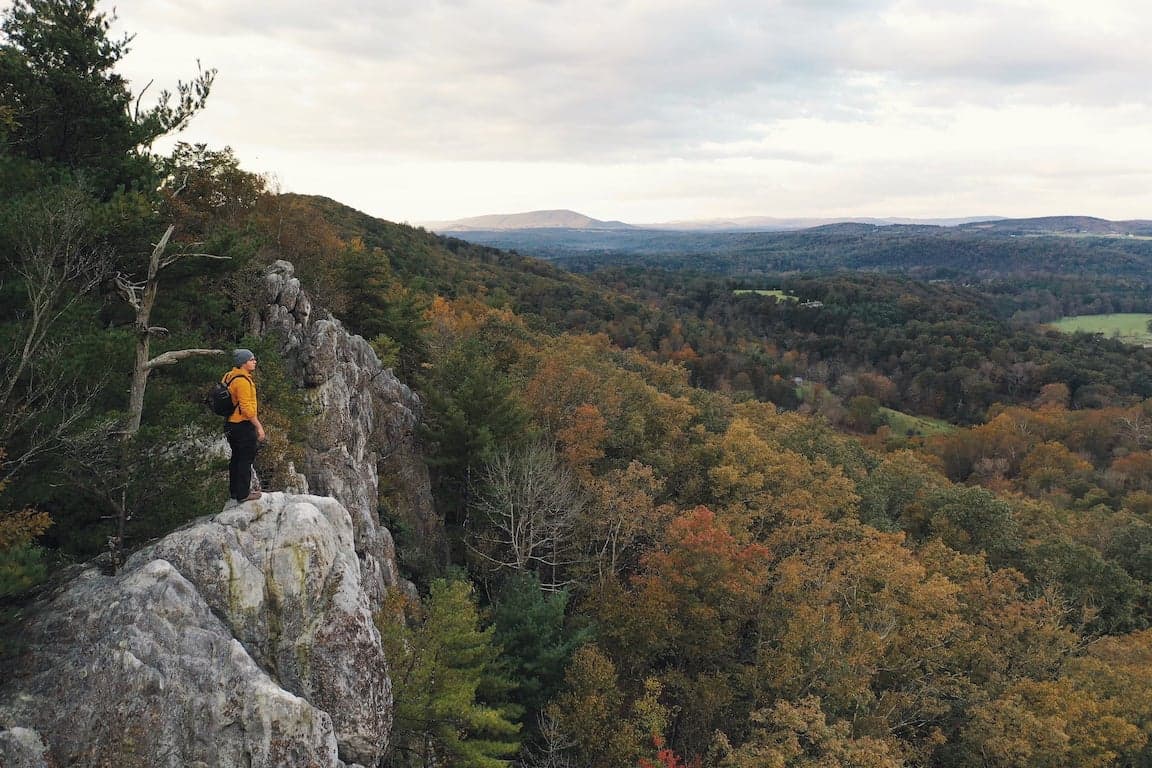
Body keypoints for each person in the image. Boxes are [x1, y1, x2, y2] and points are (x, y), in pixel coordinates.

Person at [224, 349, 266, 502]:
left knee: (236, 458)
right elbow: (247, 409)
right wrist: (259, 427)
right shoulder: (242, 381)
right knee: (245, 459)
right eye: (251, 359)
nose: (254, 361)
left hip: (230, 424)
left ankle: (235, 491)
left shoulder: (229, 376)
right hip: (242, 425)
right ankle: (243, 494)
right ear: (243, 362)